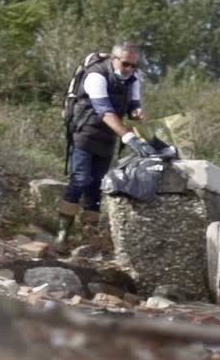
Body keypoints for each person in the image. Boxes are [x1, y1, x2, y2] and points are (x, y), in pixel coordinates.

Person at [55, 42, 155, 247]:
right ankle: (62, 232)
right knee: (80, 180)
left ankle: (88, 235)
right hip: (85, 133)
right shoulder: (96, 76)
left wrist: (138, 114)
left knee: (97, 184)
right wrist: (129, 137)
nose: (129, 69)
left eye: (133, 65)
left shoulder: (133, 79)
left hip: (108, 137)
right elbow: (104, 111)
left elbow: (134, 106)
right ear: (114, 59)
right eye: (125, 64)